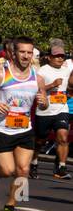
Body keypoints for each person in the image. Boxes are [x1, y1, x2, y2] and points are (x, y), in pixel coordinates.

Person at [0, 37, 50, 211]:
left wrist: (44, 103)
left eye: (29, 52)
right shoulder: (1, 74)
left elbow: (44, 104)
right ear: (14, 53)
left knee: (23, 170)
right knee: (7, 170)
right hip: (2, 128)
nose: (26, 56)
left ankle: (11, 205)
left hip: (24, 129)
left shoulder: (38, 78)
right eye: (22, 52)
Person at [35, 39, 71, 180]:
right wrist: (52, 85)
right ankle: (33, 162)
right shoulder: (42, 71)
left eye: (62, 56)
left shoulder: (67, 69)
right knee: (40, 141)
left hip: (62, 109)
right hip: (44, 110)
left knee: (63, 136)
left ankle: (61, 167)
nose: (60, 58)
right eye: (56, 56)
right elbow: (37, 89)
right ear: (49, 57)